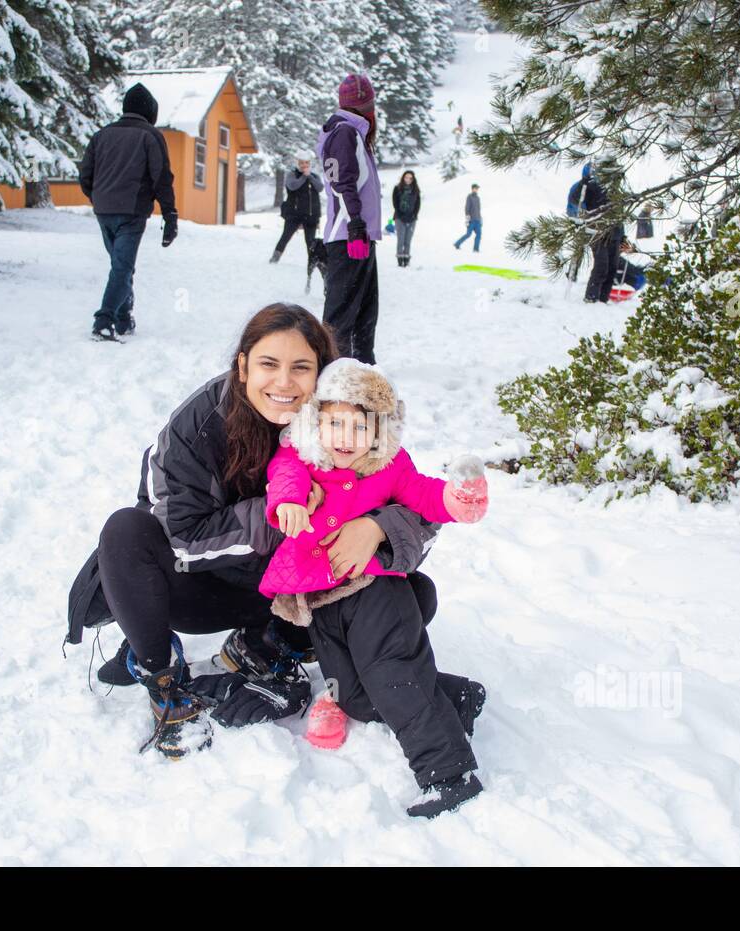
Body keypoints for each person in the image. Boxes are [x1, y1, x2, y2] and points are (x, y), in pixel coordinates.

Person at [82, 304, 442, 758]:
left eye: (301, 368)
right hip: (203, 587)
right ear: (243, 364)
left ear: (323, 375)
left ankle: (267, 645)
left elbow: (420, 506)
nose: (284, 383)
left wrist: (376, 529)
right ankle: (163, 678)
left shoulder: (347, 422)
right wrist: (278, 514)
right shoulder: (200, 423)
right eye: (269, 364)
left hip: (297, 592)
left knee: (415, 597)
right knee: (124, 531)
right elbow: (179, 534)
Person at [260, 358, 489, 817]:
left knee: (394, 676)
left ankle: (449, 774)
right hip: (322, 601)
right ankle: (456, 696)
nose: (346, 437)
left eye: (359, 426)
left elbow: (425, 495)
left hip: (376, 591)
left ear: (379, 430)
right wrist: (287, 501)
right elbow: (283, 477)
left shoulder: (390, 466)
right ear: (317, 421)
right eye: (335, 422)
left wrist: (456, 498)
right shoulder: (301, 457)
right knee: (356, 696)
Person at [78, 83, 178, 341]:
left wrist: (98, 197)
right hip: (132, 211)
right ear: (150, 111)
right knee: (122, 267)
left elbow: (85, 174)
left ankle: (123, 319)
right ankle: (104, 320)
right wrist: (170, 215)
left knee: (120, 266)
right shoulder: (150, 135)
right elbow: (161, 178)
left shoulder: (101, 135)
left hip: (103, 210)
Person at [317, 73, 383, 365]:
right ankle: (331, 374)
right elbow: (340, 182)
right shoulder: (344, 132)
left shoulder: (351, 132)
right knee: (341, 316)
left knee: (365, 312)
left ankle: (363, 370)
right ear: (366, 105)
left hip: (359, 235)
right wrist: (355, 223)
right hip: (349, 237)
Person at [575, 162, 623, 304]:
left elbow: (620, 214)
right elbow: (576, 199)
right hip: (596, 232)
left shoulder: (616, 191)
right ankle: (591, 298)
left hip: (615, 233)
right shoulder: (591, 186)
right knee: (601, 266)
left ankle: (603, 300)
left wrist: (623, 235)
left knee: (612, 268)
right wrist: (583, 183)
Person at [270, 150, 323, 271]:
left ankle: (312, 263)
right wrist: (304, 176)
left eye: (306, 163)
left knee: (310, 242)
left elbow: (320, 188)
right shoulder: (292, 175)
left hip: (311, 216)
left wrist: (309, 176)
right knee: (286, 236)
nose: (304, 165)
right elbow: (292, 186)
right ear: (297, 163)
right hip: (294, 214)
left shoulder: (314, 176)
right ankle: (275, 258)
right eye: (301, 163)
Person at [391, 170, 421, 267]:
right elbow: (395, 203)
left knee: (408, 240)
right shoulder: (397, 188)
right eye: (406, 177)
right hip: (399, 218)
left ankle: (406, 259)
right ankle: (400, 259)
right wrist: (400, 215)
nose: (408, 179)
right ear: (403, 178)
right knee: (401, 239)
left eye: (410, 178)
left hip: (412, 218)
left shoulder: (416, 190)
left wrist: (414, 215)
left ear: (413, 179)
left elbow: (418, 204)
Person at [453, 183, 481, 252]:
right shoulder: (469, 197)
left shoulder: (478, 198)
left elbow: (478, 209)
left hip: (477, 220)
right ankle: (457, 244)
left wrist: (481, 219)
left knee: (479, 234)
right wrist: (467, 219)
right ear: (472, 189)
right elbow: (467, 208)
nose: (476, 189)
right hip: (471, 220)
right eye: (475, 188)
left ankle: (476, 249)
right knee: (468, 234)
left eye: (477, 188)